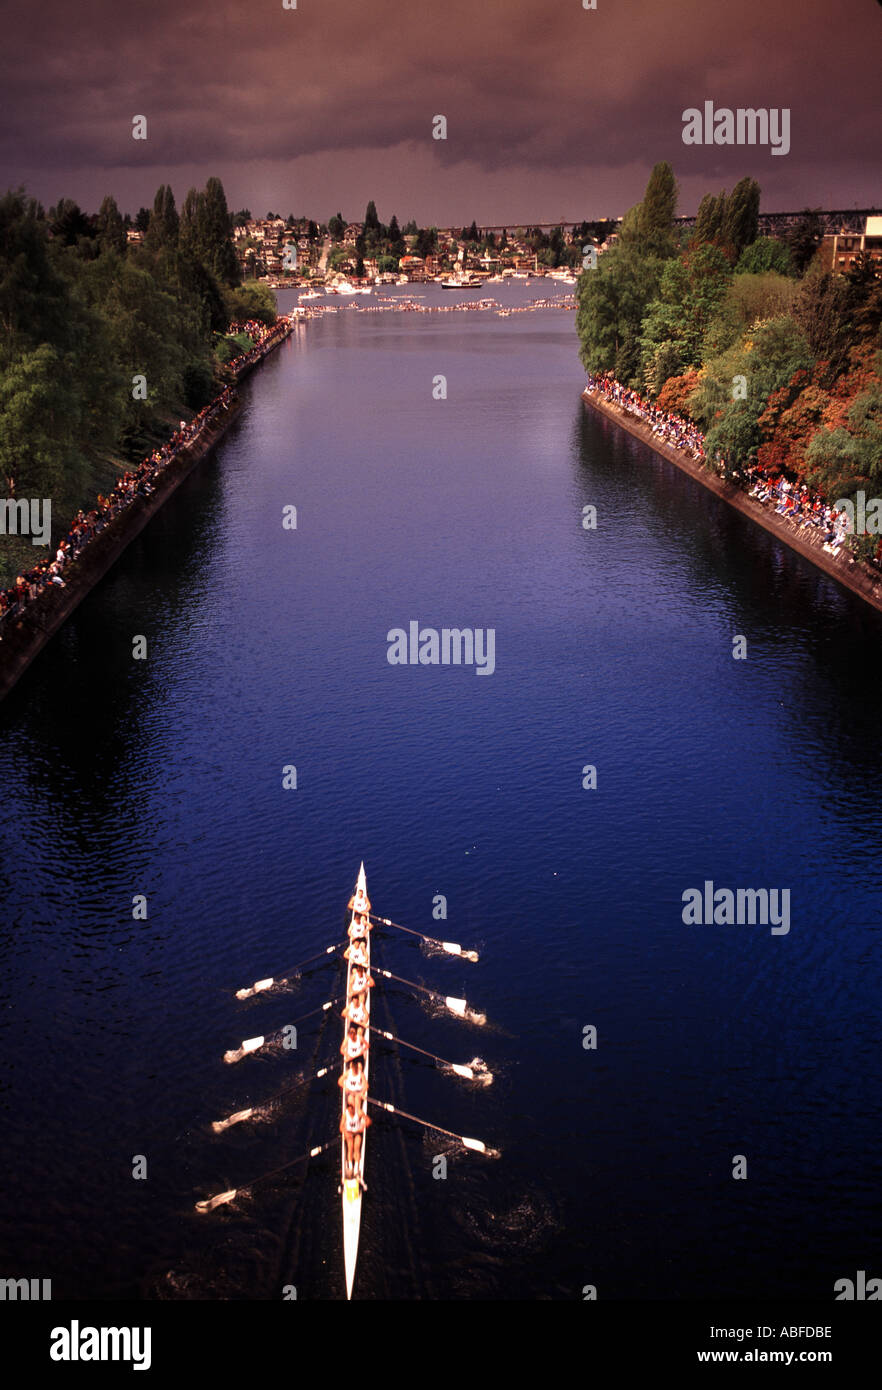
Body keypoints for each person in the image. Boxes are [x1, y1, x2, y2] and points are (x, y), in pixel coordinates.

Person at [340, 1098, 370, 1178]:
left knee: (356, 1147)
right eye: (348, 1110)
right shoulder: (345, 1114)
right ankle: (350, 1167)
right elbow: (341, 1127)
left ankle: (356, 1167)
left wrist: (363, 1126)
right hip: (349, 1133)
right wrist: (346, 1133)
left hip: (357, 1133)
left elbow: (368, 1121)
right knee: (350, 1147)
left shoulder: (359, 1112)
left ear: (354, 1108)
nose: (350, 1112)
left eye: (351, 1110)